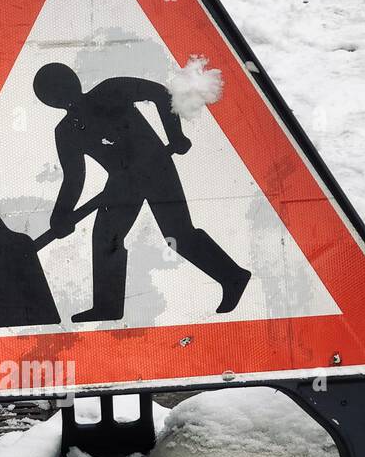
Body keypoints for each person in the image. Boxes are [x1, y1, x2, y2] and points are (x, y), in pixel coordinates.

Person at [34, 63, 250, 321]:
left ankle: (233, 277)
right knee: (105, 237)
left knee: (178, 233)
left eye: (60, 88)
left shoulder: (109, 90)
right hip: (121, 183)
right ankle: (107, 306)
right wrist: (61, 215)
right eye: (54, 94)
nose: (62, 97)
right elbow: (73, 178)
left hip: (155, 166)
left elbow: (160, 93)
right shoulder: (66, 131)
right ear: (50, 102)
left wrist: (175, 134)